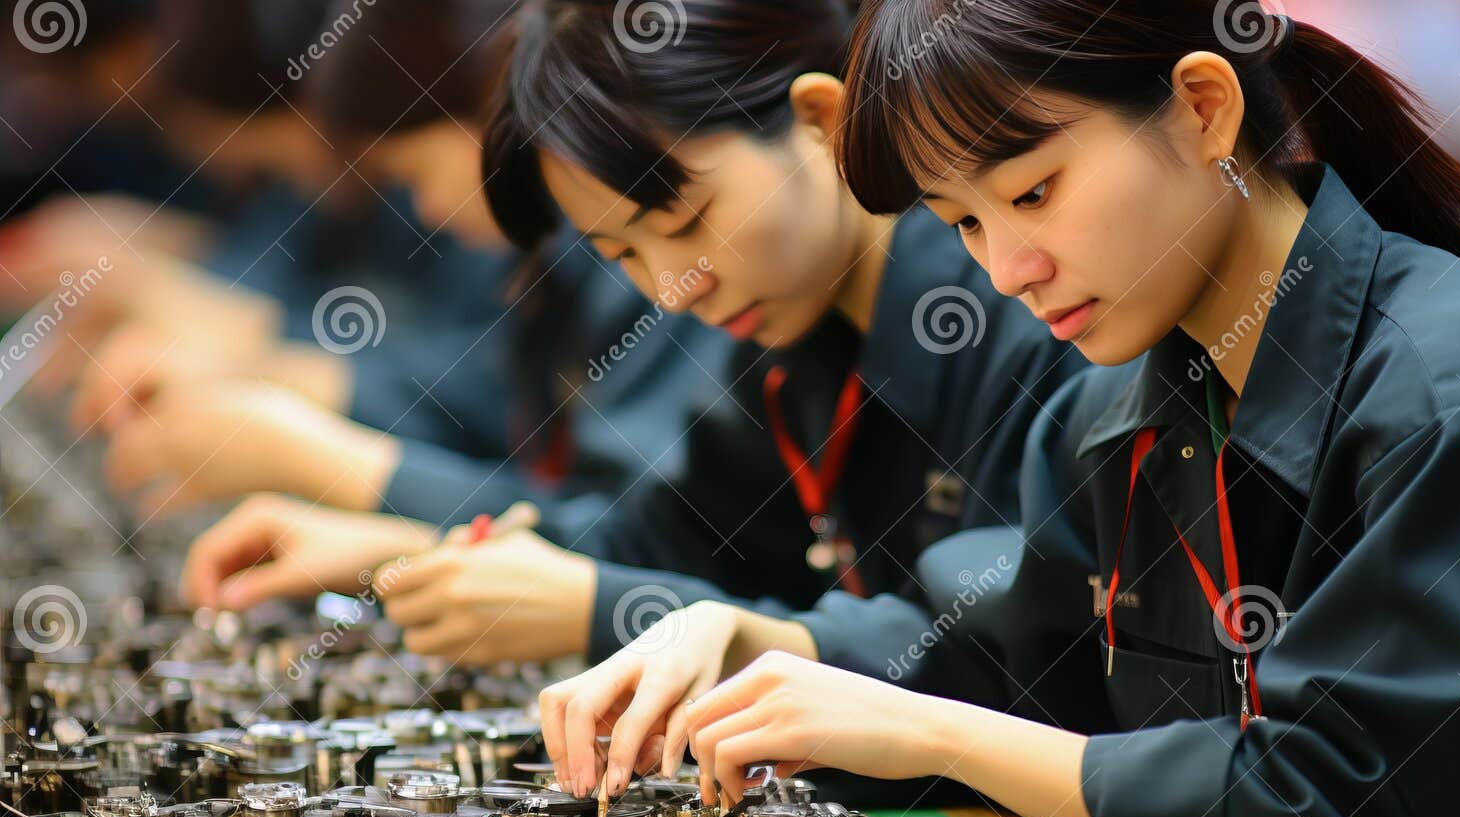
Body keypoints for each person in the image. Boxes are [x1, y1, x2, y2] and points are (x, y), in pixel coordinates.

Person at [542, 0, 1460, 817]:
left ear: (1201, 109)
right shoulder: (1112, 411)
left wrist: (942, 738)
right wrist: (742, 644)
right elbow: (1005, 657)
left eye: (1032, 192)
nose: (1005, 269)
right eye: (960, 222)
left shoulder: (1452, 388)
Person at [183, 0, 1089, 686]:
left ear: (819, 119)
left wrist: (599, 610)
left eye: (687, 220)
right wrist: (397, 555)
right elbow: (671, 534)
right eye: (622, 252)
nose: (674, 285)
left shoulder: (1030, 309)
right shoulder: (790, 339)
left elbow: (1007, 658)